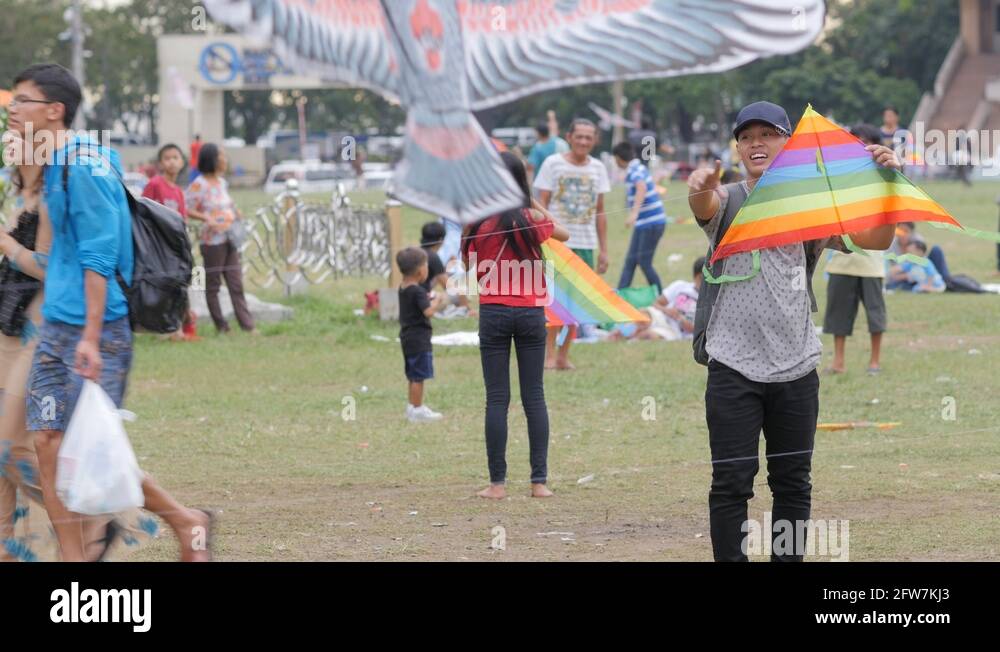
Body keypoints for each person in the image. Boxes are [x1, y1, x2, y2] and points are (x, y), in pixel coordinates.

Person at [11, 63, 212, 562]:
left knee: (86, 447)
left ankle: (186, 521)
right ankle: (76, 559)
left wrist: (91, 336)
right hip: (58, 326)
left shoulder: (86, 165)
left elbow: (100, 253)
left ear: (54, 111)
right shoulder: (54, 165)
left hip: (95, 331)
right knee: (48, 444)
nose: (12, 110)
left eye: (23, 101)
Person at [688, 101, 897, 562]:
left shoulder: (813, 208)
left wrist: (886, 183)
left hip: (797, 367)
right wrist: (698, 189)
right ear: (738, 147)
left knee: (792, 483)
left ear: (789, 143)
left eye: (768, 134)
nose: (756, 143)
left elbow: (877, 241)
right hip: (734, 366)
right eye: (746, 137)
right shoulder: (730, 199)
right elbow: (704, 204)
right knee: (730, 483)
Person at [463, 152, 569, 499]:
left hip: (493, 311)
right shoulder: (529, 218)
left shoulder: (477, 220)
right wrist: (531, 200)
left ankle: (497, 484)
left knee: (497, 399)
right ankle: (539, 483)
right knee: (534, 396)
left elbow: (468, 262)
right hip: (530, 314)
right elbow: (563, 233)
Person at [534, 118, 611, 370]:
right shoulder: (552, 164)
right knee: (553, 302)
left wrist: (604, 250)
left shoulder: (598, 168)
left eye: (589, 137)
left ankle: (564, 355)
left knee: (576, 304)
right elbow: (540, 206)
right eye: (579, 136)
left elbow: (600, 211)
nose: (583, 141)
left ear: (595, 141)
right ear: (569, 137)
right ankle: (548, 355)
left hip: (586, 245)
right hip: (556, 244)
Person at [822, 124, 888, 375]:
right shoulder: (840, 179)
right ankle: (838, 362)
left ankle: (875, 361)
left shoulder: (884, 178)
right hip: (840, 260)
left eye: (865, 144)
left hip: (871, 262)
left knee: (875, 315)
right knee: (838, 314)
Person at [185, 143, 256, 334]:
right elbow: (187, 207)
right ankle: (222, 326)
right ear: (212, 159)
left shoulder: (222, 182)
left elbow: (228, 203)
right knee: (213, 285)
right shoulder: (199, 184)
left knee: (235, 282)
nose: (225, 159)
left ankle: (248, 326)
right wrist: (205, 218)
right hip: (212, 241)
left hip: (230, 237)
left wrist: (236, 212)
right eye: (221, 155)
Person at [143, 143, 198, 341]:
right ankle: (164, 329)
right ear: (160, 163)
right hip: (158, 246)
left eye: (176, 157)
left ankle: (178, 329)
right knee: (162, 286)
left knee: (178, 286)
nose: (172, 162)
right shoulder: (155, 185)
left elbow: (182, 222)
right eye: (167, 158)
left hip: (175, 248)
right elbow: (144, 212)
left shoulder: (178, 192)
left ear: (182, 162)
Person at [397, 247, 445, 423]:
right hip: (419, 339)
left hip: (407, 337)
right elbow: (428, 312)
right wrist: (439, 301)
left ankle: (412, 406)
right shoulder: (417, 291)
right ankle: (417, 410)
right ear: (419, 271)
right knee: (419, 376)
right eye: (426, 265)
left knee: (413, 374)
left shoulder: (404, 288)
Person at [613, 141, 667, 293]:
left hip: (651, 223)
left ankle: (661, 295)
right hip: (644, 224)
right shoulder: (637, 167)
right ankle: (621, 294)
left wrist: (634, 213)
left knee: (644, 262)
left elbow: (641, 187)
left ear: (618, 158)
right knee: (631, 260)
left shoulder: (634, 170)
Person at [525, 110, 568, 183]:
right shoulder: (560, 142)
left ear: (538, 133)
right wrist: (552, 117)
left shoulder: (538, 147)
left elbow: (530, 167)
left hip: (543, 182)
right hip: (562, 180)